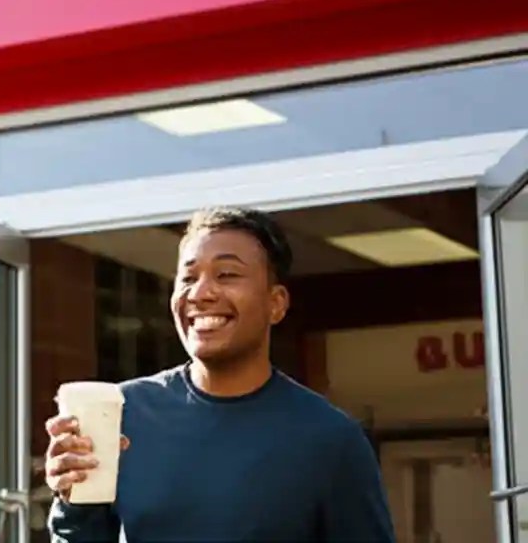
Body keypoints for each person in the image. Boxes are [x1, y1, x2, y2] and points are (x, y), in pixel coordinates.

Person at [45, 206, 396, 542]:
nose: (200, 293)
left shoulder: (332, 440)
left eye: (226, 275)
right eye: (188, 277)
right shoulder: (124, 413)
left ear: (276, 303)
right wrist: (71, 502)